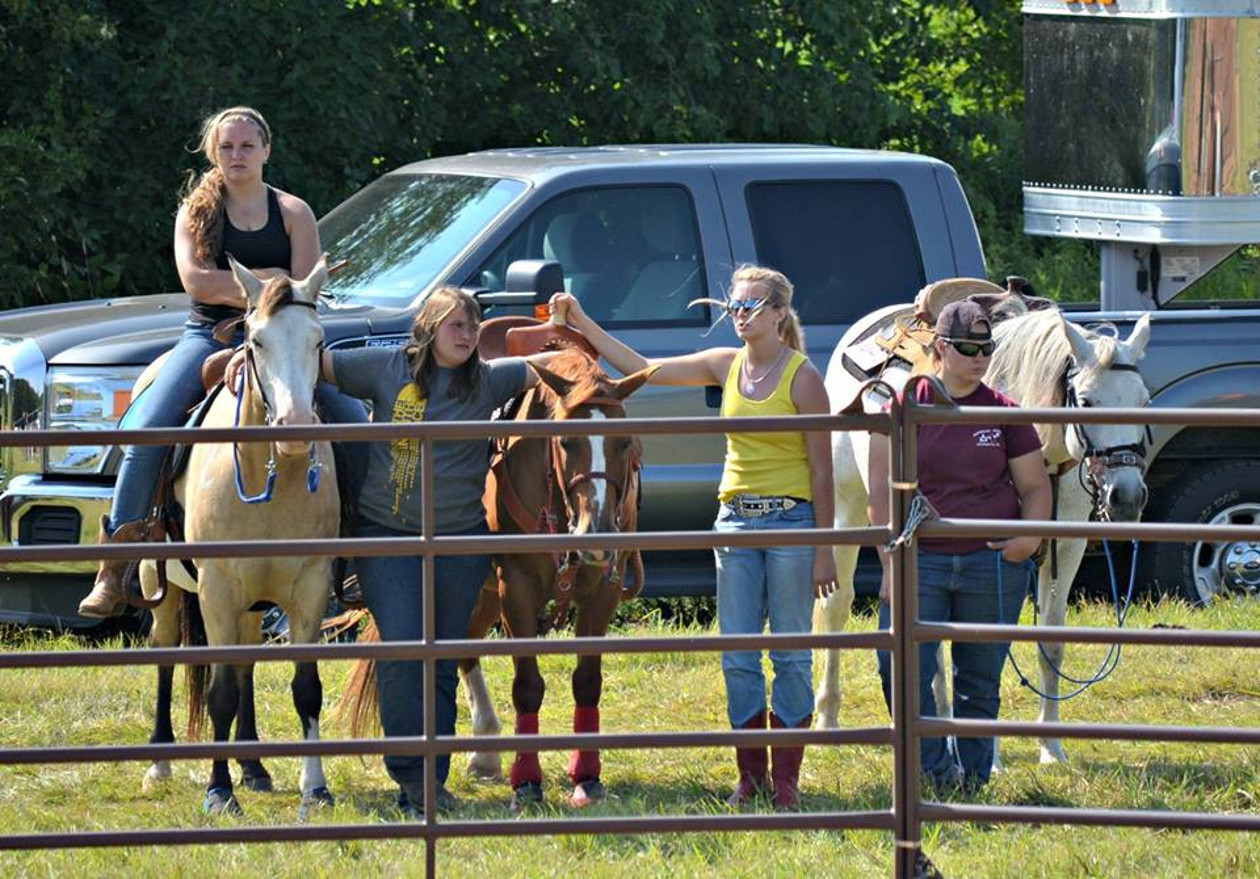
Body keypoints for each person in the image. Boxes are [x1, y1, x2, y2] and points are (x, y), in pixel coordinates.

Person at [550, 264, 837, 811]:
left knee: (793, 655)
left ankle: (786, 782)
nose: (740, 313)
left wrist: (824, 547)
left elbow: (822, 470)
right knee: (738, 654)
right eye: (734, 304)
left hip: (791, 523)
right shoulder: (724, 365)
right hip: (735, 522)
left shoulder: (803, 377)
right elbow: (643, 369)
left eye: (751, 304)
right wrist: (582, 318)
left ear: (779, 314)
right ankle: (750, 776)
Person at [78, 106, 366, 618]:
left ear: (266, 151)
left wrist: (272, 291)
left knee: (354, 420)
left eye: (247, 146)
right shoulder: (196, 211)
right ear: (214, 152)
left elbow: (301, 295)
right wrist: (270, 277)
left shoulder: (295, 212)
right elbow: (198, 283)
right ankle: (117, 563)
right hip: (208, 337)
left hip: (286, 342)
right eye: (227, 146)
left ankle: (361, 554)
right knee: (146, 429)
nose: (237, 155)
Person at [324, 287, 550, 815]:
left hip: (460, 541)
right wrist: (241, 358)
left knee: (444, 659)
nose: (469, 335)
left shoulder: (489, 380)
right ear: (427, 328)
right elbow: (315, 363)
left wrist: (569, 326)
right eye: (456, 325)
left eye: (473, 326)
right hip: (389, 537)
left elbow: (550, 365)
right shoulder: (386, 367)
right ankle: (412, 777)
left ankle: (433, 775)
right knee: (405, 650)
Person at [870, 298, 1052, 794]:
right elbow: (880, 489)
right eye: (969, 347)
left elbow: (1036, 487)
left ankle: (971, 780)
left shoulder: (1006, 412)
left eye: (986, 347)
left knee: (979, 676)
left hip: (989, 560)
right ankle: (933, 770)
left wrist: (1028, 537)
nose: (979, 357)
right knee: (901, 668)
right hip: (920, 557)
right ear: (941, 347)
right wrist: (890, 565)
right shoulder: (906, 403)